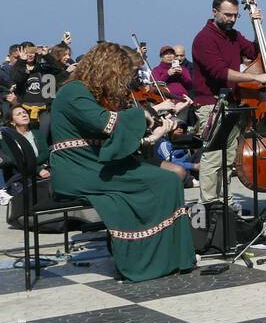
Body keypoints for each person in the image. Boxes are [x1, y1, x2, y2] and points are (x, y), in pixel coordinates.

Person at [48, 43, 195, 282]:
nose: (127, 81)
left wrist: (150, 132)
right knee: (165, 181)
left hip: (93, 163)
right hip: (79, 170)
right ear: (108, 69)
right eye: (123, 73)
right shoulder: (74, 92)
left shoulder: (87, 92)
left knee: (167, 179)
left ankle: (169, 255)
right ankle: (150, 258)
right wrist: (146, 116)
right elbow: (107, 123)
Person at [190, 0, 266, 203]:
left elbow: (255, 52)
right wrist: (255, 79)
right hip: (211, 103)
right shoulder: (203, 39)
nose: (232, 19)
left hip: (232, 103)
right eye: (227, 15)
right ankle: (209, 203)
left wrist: (257, 26)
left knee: (228, 158)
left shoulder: (233, 35)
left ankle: (224, 201)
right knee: (213, 155)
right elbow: (220, 72)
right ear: (214, 12)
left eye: (235, 15)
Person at [1, 106, 52, 228]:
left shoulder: (36, 132)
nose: (24, 115)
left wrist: (35, 166)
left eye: (25, 112)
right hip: (21, 172)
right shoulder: (8, 137)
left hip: (40, 170)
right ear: (12, 121)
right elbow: (15, 160)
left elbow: (45, 153)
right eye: (19, 114)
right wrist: (38, 169)